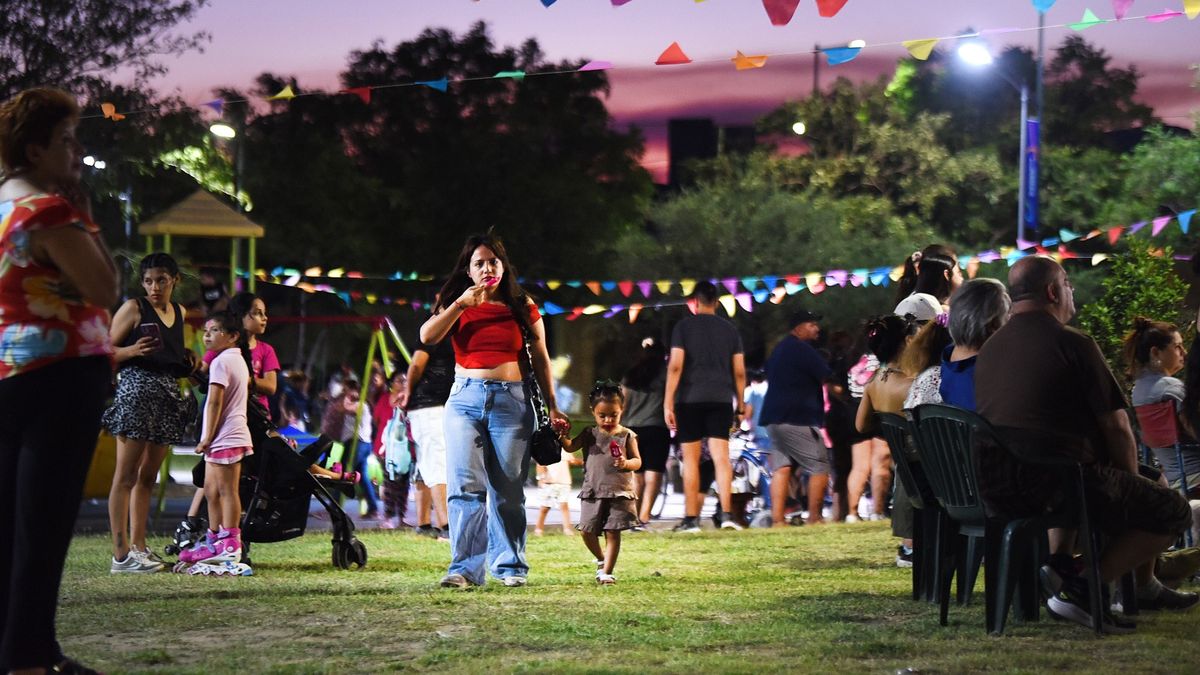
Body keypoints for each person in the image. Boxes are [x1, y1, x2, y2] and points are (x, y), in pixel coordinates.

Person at [976, 256, 1195, 632]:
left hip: (998, 486)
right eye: (1068, 284)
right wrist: (1129, 493)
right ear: (1052, 291)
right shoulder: (1072, 342)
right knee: (1172, 508)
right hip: (1057, 483)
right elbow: (1117, 427)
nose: (1071, 292)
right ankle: (1082, 587)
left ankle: (1066, 567)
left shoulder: (990, 348)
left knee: (1126, 476)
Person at [0, 86, 119, 675]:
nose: (76, 153)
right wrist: (87, 219)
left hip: (10, 376)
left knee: (12, 522)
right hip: (60, 377)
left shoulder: (3, 203)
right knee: (44, 526)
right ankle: (29, 657)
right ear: (35, 146)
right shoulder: (49, 212)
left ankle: (19, 648)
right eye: (67, 140)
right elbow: (104, 288)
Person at [420, 233, 566, 588]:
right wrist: (460, 305)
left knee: (508, 490)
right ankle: (465, 569)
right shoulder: (456, 301)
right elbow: (427, 336)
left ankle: (510, 566)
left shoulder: (521, 303)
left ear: (503, 265)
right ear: (468, 271)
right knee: (464, 486)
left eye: (493, 262)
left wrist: (553, 405)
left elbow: (542, 357)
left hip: (511, 401)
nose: (487, 269)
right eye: (479, 263)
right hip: (464, 400)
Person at [103, 251, 197, 573]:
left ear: (175, 281)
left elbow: (171, 353)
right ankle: (121, 555)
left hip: (168, 394)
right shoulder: (133, 307)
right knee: (125, 476)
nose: (154, 287)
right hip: (135, 392)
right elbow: (102, 350)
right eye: (148, 281)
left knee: (147, 477)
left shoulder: (180, 312)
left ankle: (140, 549)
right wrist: (130, 350)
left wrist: (188, 359)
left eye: (161, 280)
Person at [664, 281, 746, 532]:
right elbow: (740, 371)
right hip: (721, 398)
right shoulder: (730, 330)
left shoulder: (683, 327)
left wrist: (668, 401)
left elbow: (676, 365)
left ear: (694, 302)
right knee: (722, 458)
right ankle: (728, 514)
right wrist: (740, 404)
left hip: (689, 398)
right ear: (717, 303)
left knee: (690, 460)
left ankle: (691, 520)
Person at [177, 310, 253, 576]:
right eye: (206, 331)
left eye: (214, 331)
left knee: (226, 491)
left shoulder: (223, 362)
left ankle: (230, 543)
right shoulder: (235, 360)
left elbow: (215, 401)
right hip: (221, 437)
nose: (207, 335)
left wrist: (206, 437)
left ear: (233, 336)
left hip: (226, 435)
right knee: (210, 490)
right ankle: (213, 540)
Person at [562, 382, 643, 584]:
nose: (608, 420)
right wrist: (562, 435)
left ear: (621, 410)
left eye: (613, 415)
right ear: (593, 412)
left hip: (618, 492)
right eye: (602, 415)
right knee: (586, 530)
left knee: (613, 532)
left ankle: (607, 571)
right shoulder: (590, 434)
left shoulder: (627, 435)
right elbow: (571, 447)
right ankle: (601, 558)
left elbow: (638, 461)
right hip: (593, 491)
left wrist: (626, 463)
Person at [760, 309, 832, 527]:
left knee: (782, 468)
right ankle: (815, 517)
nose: (816, 328)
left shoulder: (779, 350)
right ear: (798, 327)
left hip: (774, 419)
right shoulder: (803, 349)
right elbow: (827, 376)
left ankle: (778, 520)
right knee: (819, 466)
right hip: (797, 418)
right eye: (811, 324)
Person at [851, 315, 918, 522]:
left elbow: (861, 426)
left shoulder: (873, 384)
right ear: (907, 341)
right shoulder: (913, 384)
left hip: (903, 470)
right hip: (923, 468)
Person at [1127, 318, 1200, 495]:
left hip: (1173, 480)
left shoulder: (1138, 392)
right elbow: (1196, 430)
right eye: (1177, 347)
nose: (1184, 352)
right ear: (1156, 353)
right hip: (1196, 476)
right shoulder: (1171, 387)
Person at [400, 336, 456, 536]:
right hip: (430, 404)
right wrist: (407, 393)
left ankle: (424, 525)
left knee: (426, 463)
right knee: (437, 462)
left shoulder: (445, 327)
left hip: (434, 405)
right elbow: (416, 365)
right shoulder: (435, 327)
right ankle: (446, 526)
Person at [621, 337, 670, 526]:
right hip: (657, 427)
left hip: (632, 429)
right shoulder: (665, 375)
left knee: (637, 475)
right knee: (653, 472)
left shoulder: (631, 375)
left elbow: (622, 404)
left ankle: (632, 514)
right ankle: (645, 516)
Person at [893, 244, 962, 317]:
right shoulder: (933, 309)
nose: (962, 278)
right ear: (946, 274)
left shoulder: (914, 302)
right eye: (959, 271)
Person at [534, 449, 579, 536]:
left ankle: (567, 529)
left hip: (564, 482)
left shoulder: (566, 450)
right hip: (549, 482)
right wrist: (541, 478)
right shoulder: (546, 449)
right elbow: (540, 464)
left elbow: (573, 461)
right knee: (545, 507)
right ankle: (538, 529)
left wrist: (584, 460)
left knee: (564, 505)